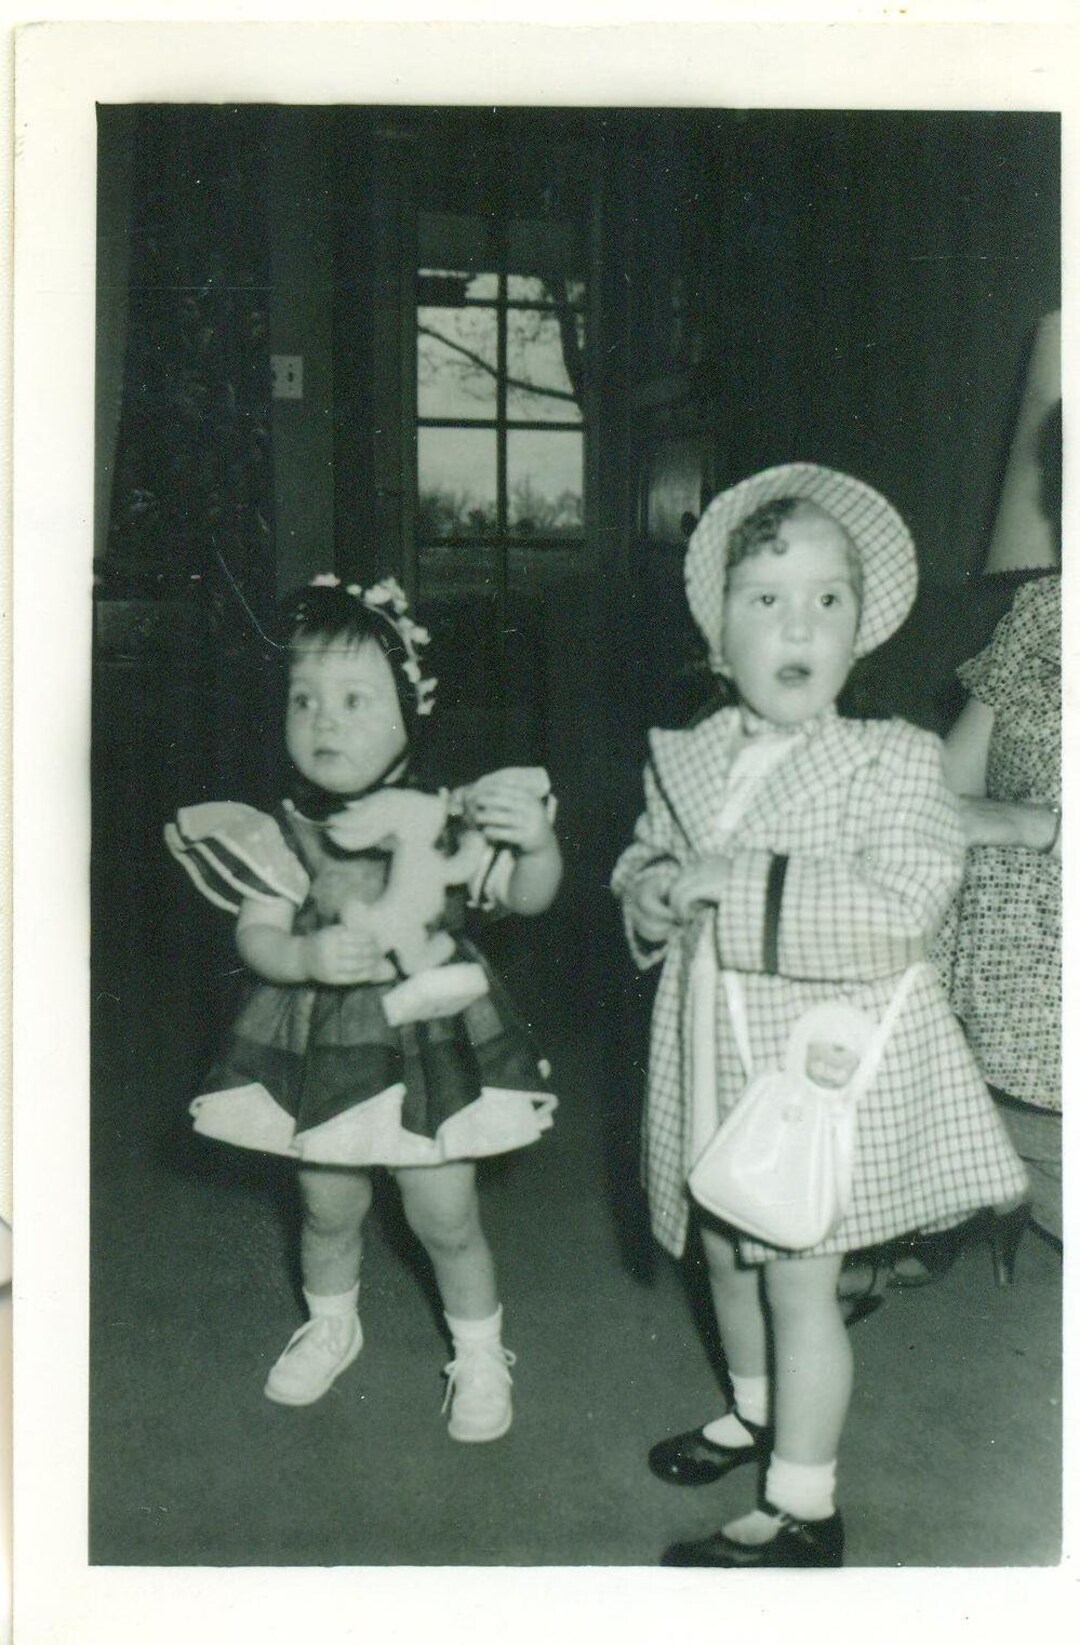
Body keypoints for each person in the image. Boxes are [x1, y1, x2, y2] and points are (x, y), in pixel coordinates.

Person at [611, 464, 1028, 1567]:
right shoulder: (688, 755)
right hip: (705, 1059)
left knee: (799, 1277)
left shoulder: (892, 760)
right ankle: (752, 1407)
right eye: (765, 598)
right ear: (716, 637)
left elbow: (901, 906)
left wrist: (728, 885)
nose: (800, 622)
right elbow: (650, 856)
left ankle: (805, 1500)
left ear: (861, 628)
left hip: (817, 1082)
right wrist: (649, 888)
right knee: (722, 1252)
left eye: (827, 600)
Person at [166, 575, 562, 1443]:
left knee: (444, 1213)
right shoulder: (278, 830)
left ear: (410, 717)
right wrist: (300, 955)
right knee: (326, 1201)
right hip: (320, 1047)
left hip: (429, 1047)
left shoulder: (442, 820)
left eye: (354, 698)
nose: (324, 719)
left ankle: (480, 1349)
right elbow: (257, 931)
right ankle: (332, 1318)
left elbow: (527, 896)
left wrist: (535, 844)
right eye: (304, 698)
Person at [935, 408, 1061, 1263]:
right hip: (1007, 922)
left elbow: (1002, 811)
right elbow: (954, 777)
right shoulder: (1046, 609)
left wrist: (1033, 824)